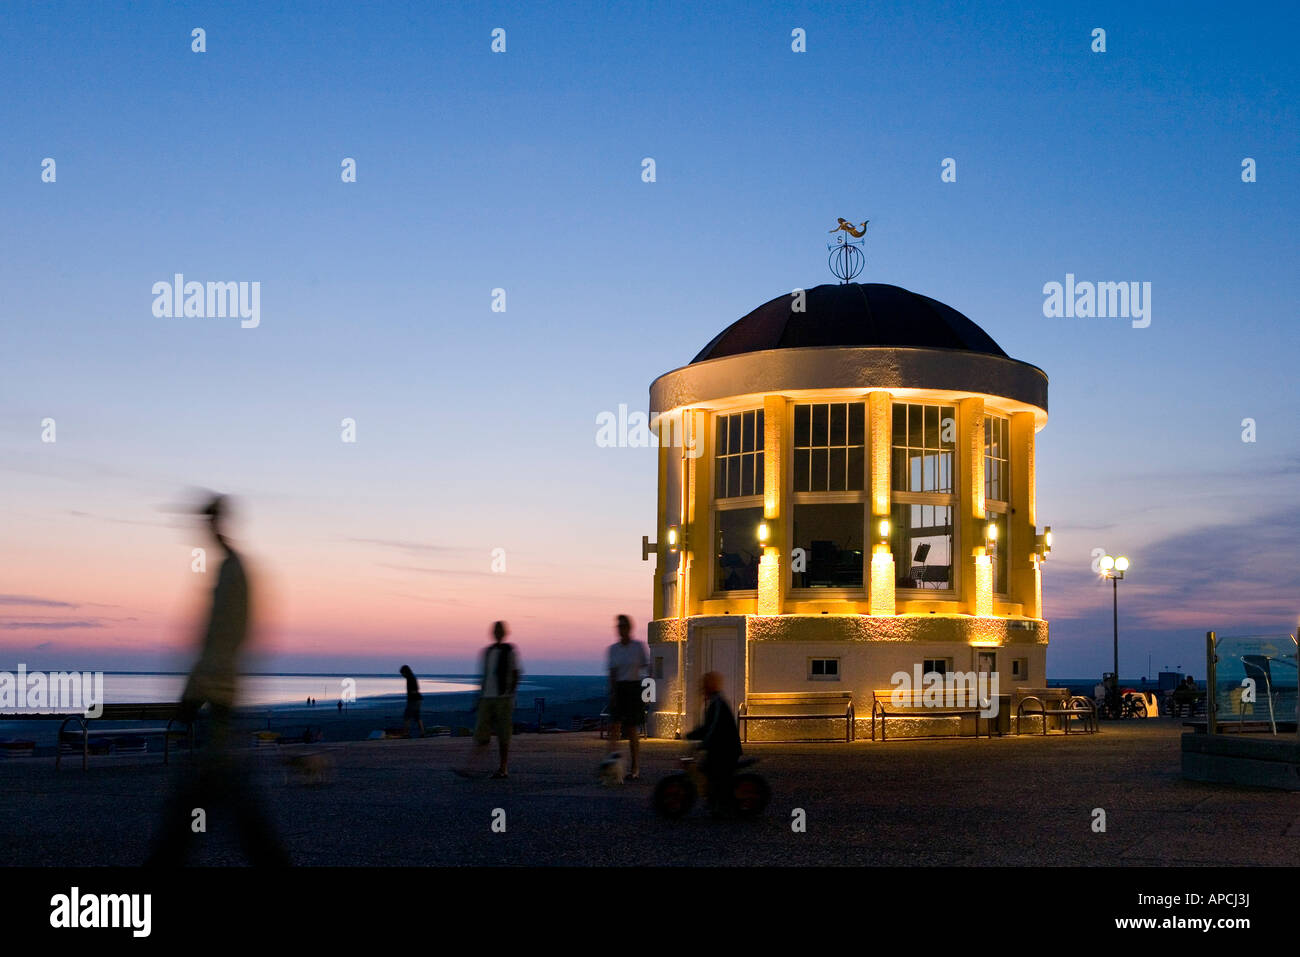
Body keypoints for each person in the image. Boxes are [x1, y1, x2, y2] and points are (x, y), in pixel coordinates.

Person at [147, 493, 289, 866]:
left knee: (212, 798)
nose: (202, 528)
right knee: (229, 799)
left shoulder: (231, 571)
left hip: (221, 700)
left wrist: (194, 694)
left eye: (206, 520)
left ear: (216, 522)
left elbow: (219, 640)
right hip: (226, 695)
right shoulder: (235, 568)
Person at [457, 621, 520, 779]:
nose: (497, 633)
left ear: (504, 632)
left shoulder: (509, 650)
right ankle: (471, 766)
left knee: (503, 734)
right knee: (481, 733)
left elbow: (515, 673)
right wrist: (479, 697)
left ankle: (503, 768)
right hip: (487, 697)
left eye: (499, 630)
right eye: (495, 630)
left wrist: (511, 693)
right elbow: (485, 676)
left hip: (503, 698)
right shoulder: (487, 652)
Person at [685, 671, 742, 817]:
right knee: (705, 768)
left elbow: (713, 728)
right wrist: (693, 735)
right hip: (719, 747)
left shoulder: (717, 703)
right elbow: (707, 727)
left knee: (715, 773)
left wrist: (702, 743)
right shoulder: (715, 702)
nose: (701, 688)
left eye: (704, 685)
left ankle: (722, 805)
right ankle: (714, 801)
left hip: (726, 749)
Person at [606, 614, 649, 780]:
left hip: (633, 687)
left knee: (632, 730)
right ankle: (613, 766)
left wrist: (645, 691)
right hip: (619, 687)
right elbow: (612, 673)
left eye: (623, 626)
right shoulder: (613, 649)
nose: (621, 630)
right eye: (619, 627)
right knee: (615, 728)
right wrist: (612, 693)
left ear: (629, 628)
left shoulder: (638, 647)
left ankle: (635, 766)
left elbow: (645, 669)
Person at [400, 664, 424, 738]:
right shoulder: (411, 677)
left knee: (407, 717)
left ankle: (406, 734)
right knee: (417, 717)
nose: (402, 675)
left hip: (414, 700)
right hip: (417, 700)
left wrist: (411, 694)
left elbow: (415, 690)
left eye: (402, 673)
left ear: (405, 672)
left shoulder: (410, 678)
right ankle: (422, 732)